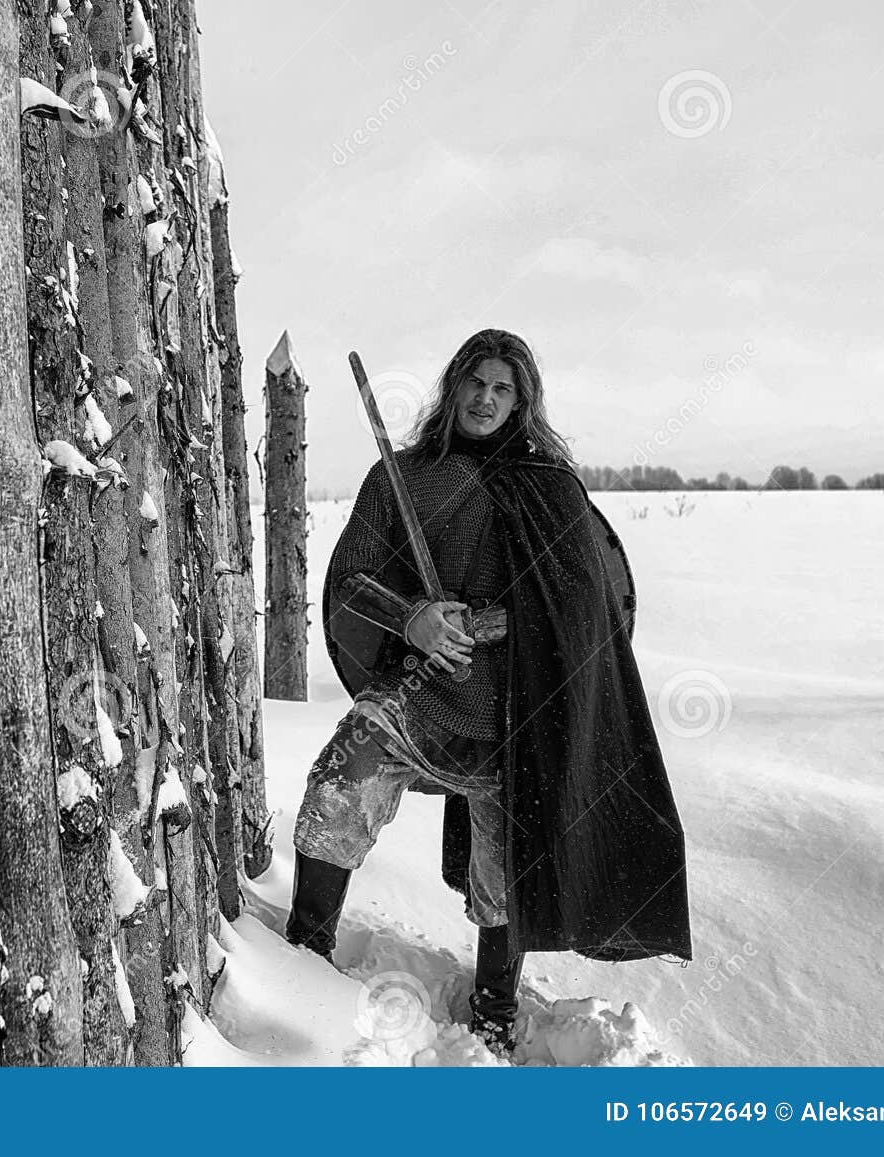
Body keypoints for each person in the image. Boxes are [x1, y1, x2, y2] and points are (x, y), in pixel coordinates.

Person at [286, 329, 693, 1055]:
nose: (486, 398)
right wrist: (411, 617)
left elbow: (586, 605)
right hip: (418, 692)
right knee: (336, 785)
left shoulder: (550, 485)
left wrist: (500, 620)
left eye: (503, 388)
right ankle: (303, 951)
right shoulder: (404, 477)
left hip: (518, 709)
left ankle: (496, 1012)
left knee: (507, 869)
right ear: (455, 387)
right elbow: (350, 580)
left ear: (522, 400)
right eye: (476, 382)